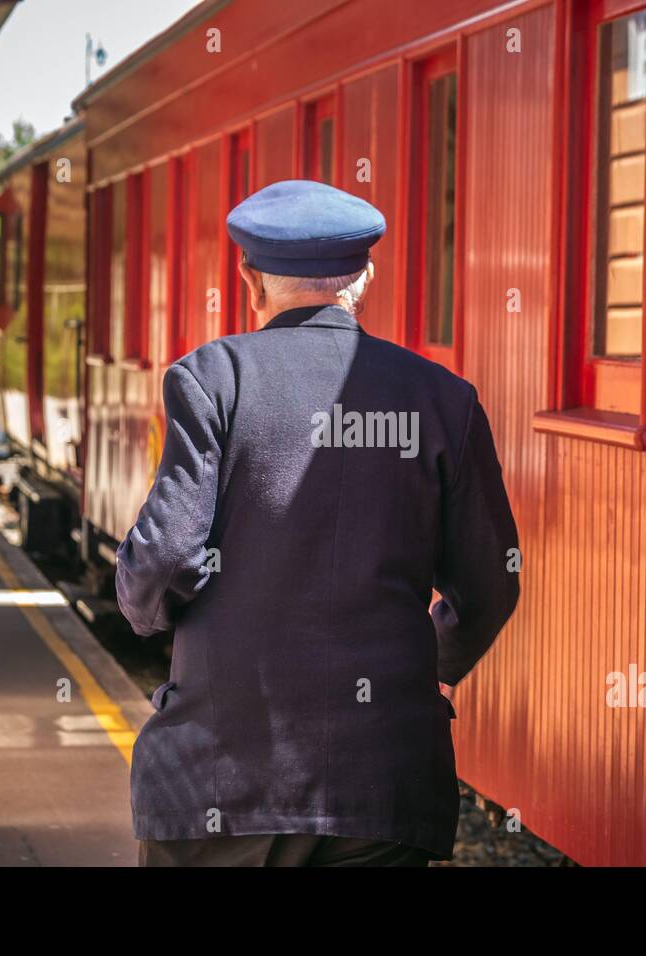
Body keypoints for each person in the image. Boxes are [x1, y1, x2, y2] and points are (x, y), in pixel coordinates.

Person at [116, 179, 520, 867]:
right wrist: (428, 667)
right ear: (365, 276)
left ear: (250, 279)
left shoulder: (213, 380)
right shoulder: (442, 398)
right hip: (381, 786)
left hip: (219, 782)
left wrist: (145, 612)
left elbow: (167, 556)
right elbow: (490, 583)